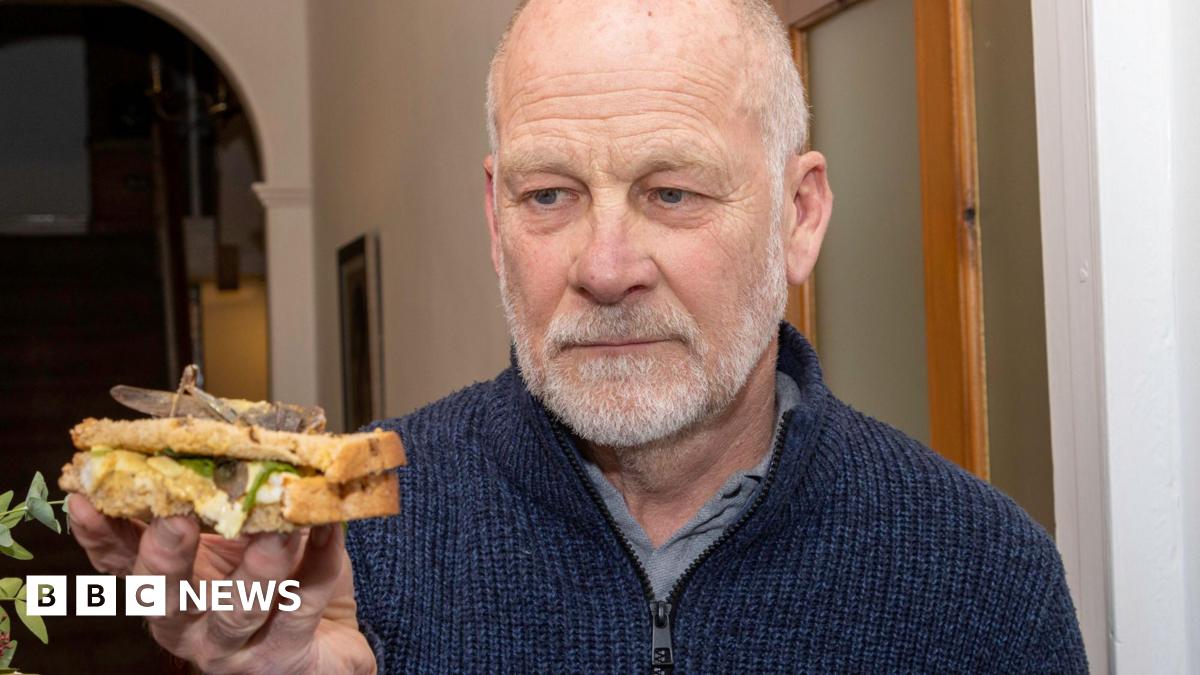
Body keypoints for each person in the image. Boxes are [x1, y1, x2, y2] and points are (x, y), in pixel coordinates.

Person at [67, 0, 1088, 672]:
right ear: (493, 217)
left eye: (673, 192)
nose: (604, 266)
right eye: (549, 194)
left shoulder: (983, 577)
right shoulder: (344, 549)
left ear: (800, 214)